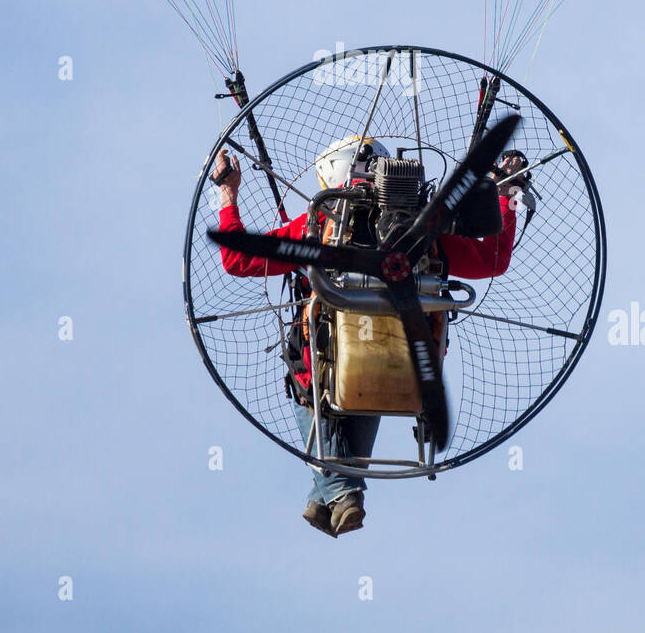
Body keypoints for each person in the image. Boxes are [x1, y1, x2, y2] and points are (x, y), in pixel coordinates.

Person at [214, 137, 524, 537]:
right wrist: (506, 195)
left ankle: (341, 494)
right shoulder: (424, 230)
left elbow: (239, 258)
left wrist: (228, 192)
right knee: (365, 384)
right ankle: (325, 497)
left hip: (332, 361)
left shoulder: (322, 224)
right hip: (402, 364)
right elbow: (492, 260)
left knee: (315, 386)